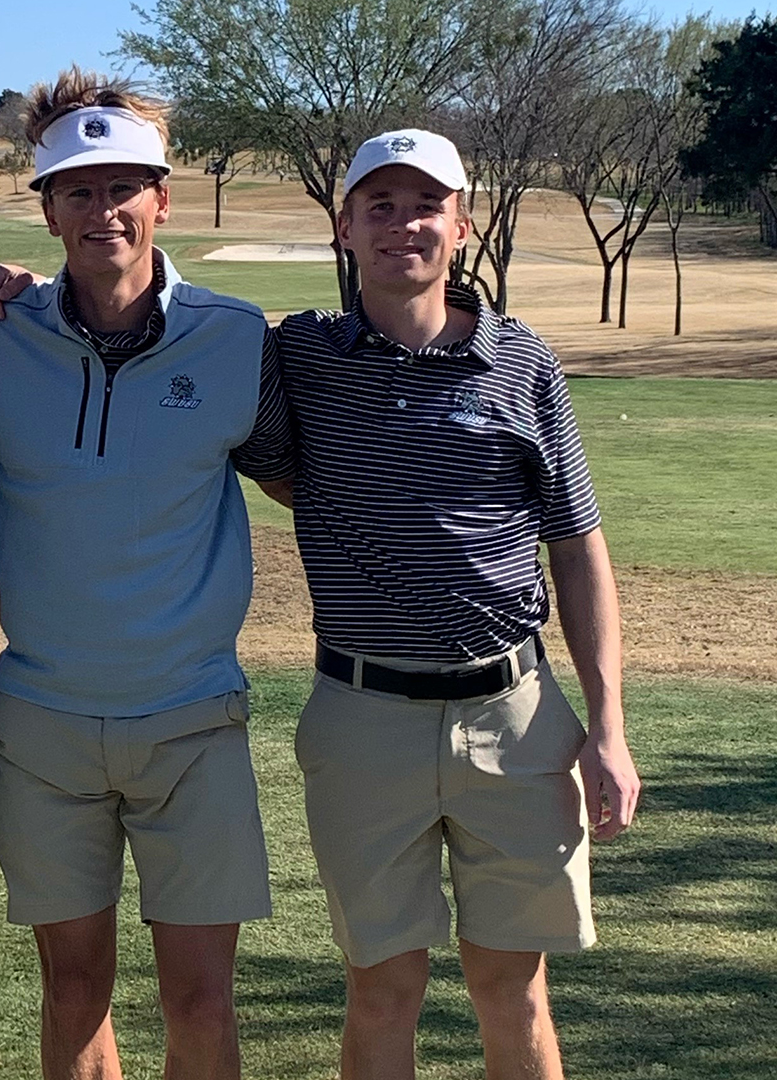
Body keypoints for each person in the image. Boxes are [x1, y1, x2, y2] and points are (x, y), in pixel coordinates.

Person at [272, 129, 640, 1080]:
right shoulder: (301, 355)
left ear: (462, 226)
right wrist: (17, 286)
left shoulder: (523, 363)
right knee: (382, 989)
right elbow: (157, 315)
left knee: (511, 991)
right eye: (380, 208)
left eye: (425, 206)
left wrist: (609, 726)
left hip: (514, 717)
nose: (404, 226)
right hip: (362, 717)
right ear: (346, 227)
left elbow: (578, 543)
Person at [0, 68, 294, 1080]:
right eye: (77, 188)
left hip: (192, 719)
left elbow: (300, 481)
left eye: (123, 186)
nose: (102, 208)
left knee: (199, 999)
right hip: (45, 724)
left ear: (162, 197)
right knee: (71, 994)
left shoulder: (236, 340)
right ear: (47, 207)